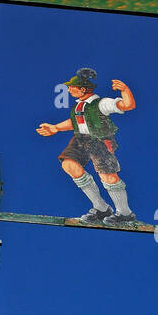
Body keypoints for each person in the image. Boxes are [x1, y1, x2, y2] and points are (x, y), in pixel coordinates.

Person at [36, 67, 136, 225]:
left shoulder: (101, 104)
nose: (68, 90)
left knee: (107, 176)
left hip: (99, 141)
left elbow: (127, 105)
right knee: (69, 165)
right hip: (80, 140)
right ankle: (101, 208)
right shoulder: (77, 107)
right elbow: (75, 123)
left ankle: (124, 213)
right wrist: (55, 128)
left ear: (82, 89)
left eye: (72, 87)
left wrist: (124, 89)